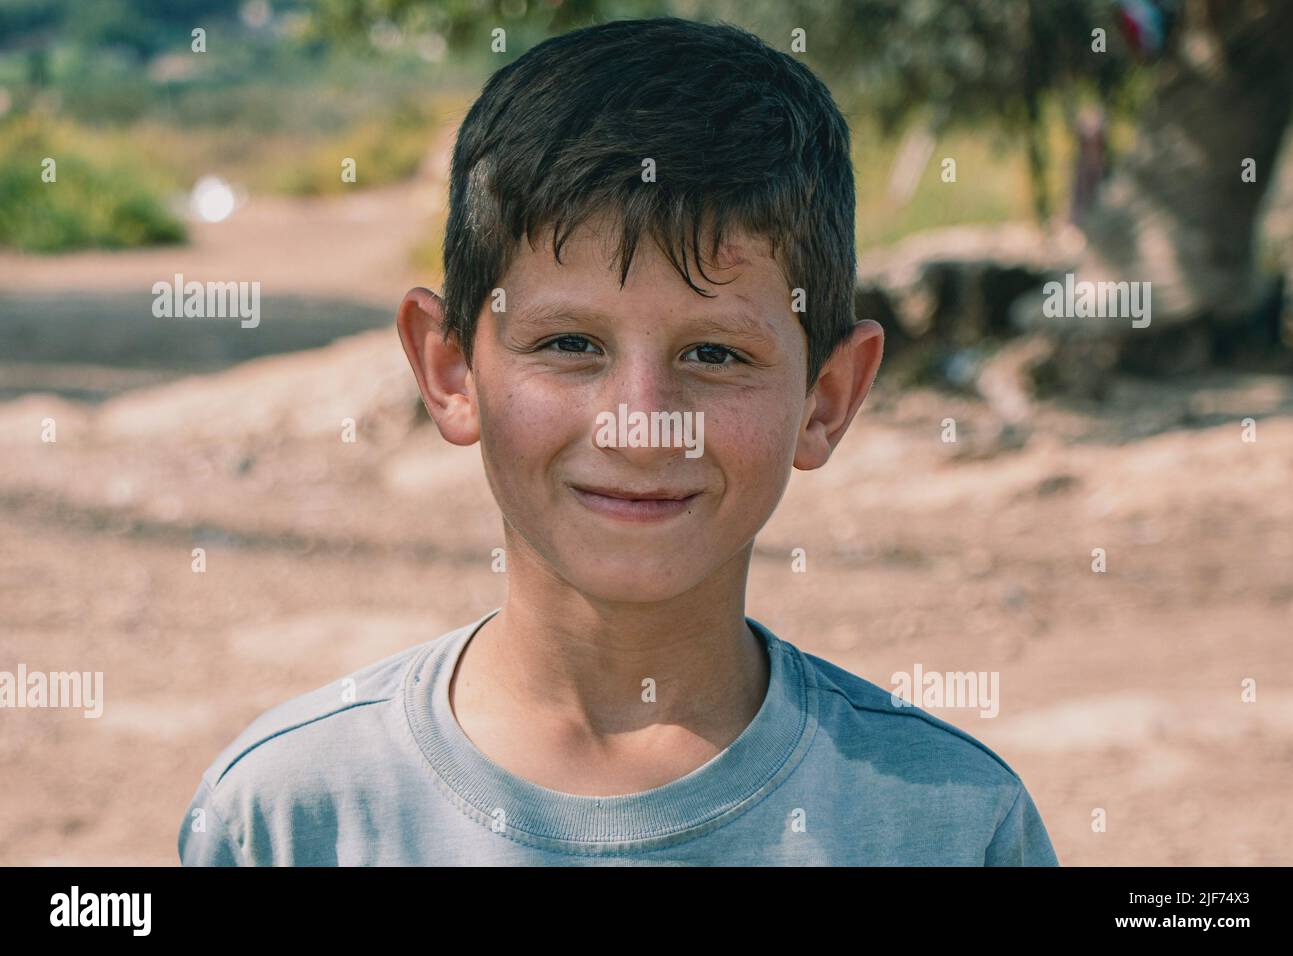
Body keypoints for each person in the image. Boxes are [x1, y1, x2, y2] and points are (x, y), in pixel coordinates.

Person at [178, 15, 1058, 866]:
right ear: (449, 370)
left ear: (827, 398)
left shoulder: (947, 823)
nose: (639, 424)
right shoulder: (291, 818)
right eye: (569, 345)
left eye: (715, 353)